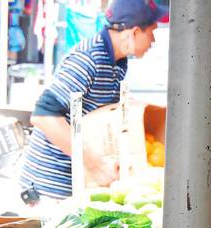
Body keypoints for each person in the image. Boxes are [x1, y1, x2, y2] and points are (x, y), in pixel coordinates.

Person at [19, 0, 164, 202]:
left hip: (79, 185)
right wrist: (94, 165)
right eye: (151, 31)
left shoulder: (117, 62)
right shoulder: (88, 59)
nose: (154, 40)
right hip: (49, 189)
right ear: (133, 33)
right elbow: (44, 116)